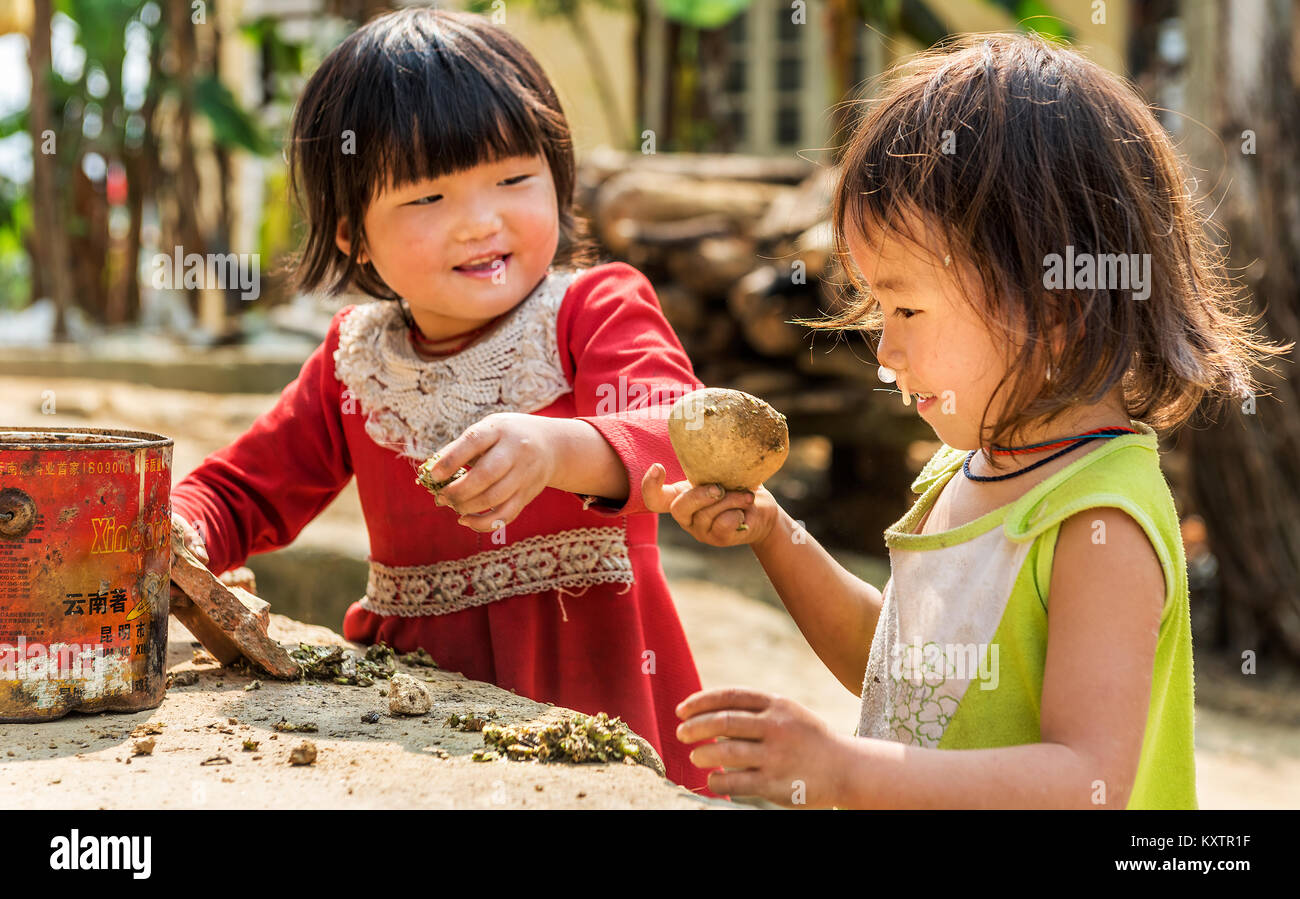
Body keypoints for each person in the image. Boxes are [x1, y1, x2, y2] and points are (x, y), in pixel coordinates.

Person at [643, 32, 1289, 808]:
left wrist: (845, 769)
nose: (886, 348)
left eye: (908, 307)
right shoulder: (963, 467)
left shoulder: (1100, 523)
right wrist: (774, 533)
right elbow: (913, 678)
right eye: (879, 309)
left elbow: (1085, 777)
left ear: (1058, 307)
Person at [170, 7, 710, 793]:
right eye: (428, 199)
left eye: (514, 179)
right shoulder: (355, 362)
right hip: (418, 726)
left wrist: (557, 451)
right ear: (354, 234)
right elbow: (240, 491)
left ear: (557, 177)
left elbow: (677, 430)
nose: (480, 222)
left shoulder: (593, 310)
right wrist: (178, 530)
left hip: (604, 703)